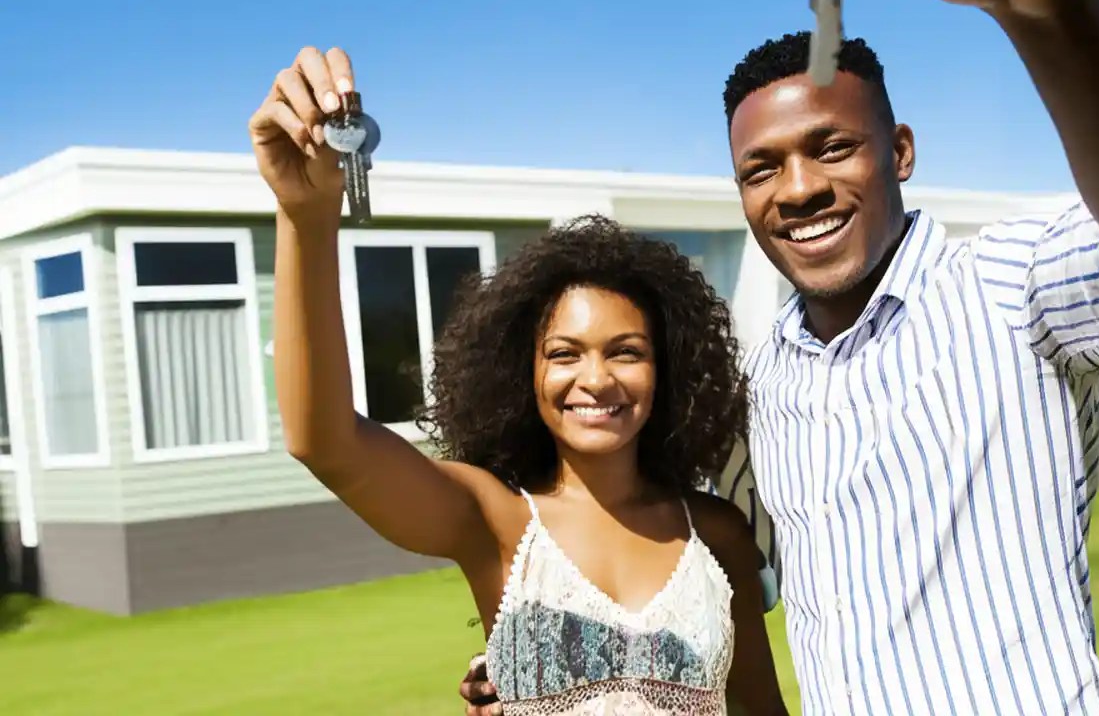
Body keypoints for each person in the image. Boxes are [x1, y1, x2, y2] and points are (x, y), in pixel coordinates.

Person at [464, 0, 1099, 714]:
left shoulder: (1009, 291)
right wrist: (550, 663)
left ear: (901, 150)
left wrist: (1051, 17)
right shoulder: (754, 392)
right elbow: (697, 589)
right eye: (761, 169)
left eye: (833, 147)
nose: (798, 188)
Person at [250, 47, 790, 715]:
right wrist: (305, 217)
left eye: (626, 352)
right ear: (523, 373)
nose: (595, 379)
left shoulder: (717, 535)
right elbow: (323, 441)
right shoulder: (494, 521)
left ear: (667, 368)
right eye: (564, 353)